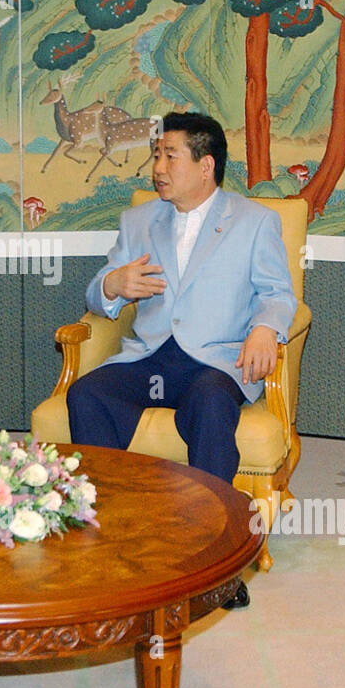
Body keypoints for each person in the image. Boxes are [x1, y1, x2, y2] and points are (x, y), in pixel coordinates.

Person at [67, 111, 297, 484]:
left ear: (205, 165)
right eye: (157, 154)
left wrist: (265, 328)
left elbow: (277, 293)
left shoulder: (254, 221)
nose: (158, 167)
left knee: (210, 404)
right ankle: (109, 510)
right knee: (87, 395)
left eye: (170, 156)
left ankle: (211, 523)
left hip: (214, 362)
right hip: (151, 357)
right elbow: (95, 294)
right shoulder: (138, 220)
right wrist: (114, 283)